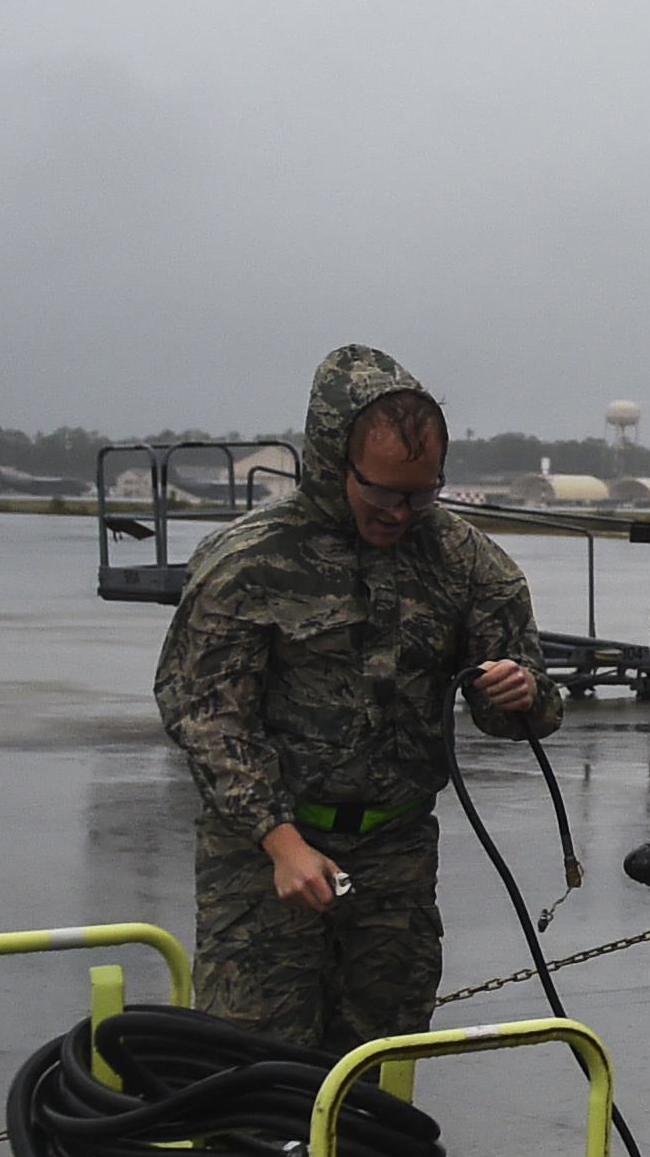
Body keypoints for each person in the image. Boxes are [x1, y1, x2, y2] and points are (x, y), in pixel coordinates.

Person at [154, 343, 560, 1050]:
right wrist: (280, 842)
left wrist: (519, 692)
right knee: (257, 1063)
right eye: (383, 493)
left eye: (422, 493)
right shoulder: (249, 563)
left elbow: (525, 710)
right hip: (265, 860)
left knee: (383, 1059)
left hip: (394, 858)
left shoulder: (465, 562)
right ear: (333, 463)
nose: (401, 513)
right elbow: (206, 716)